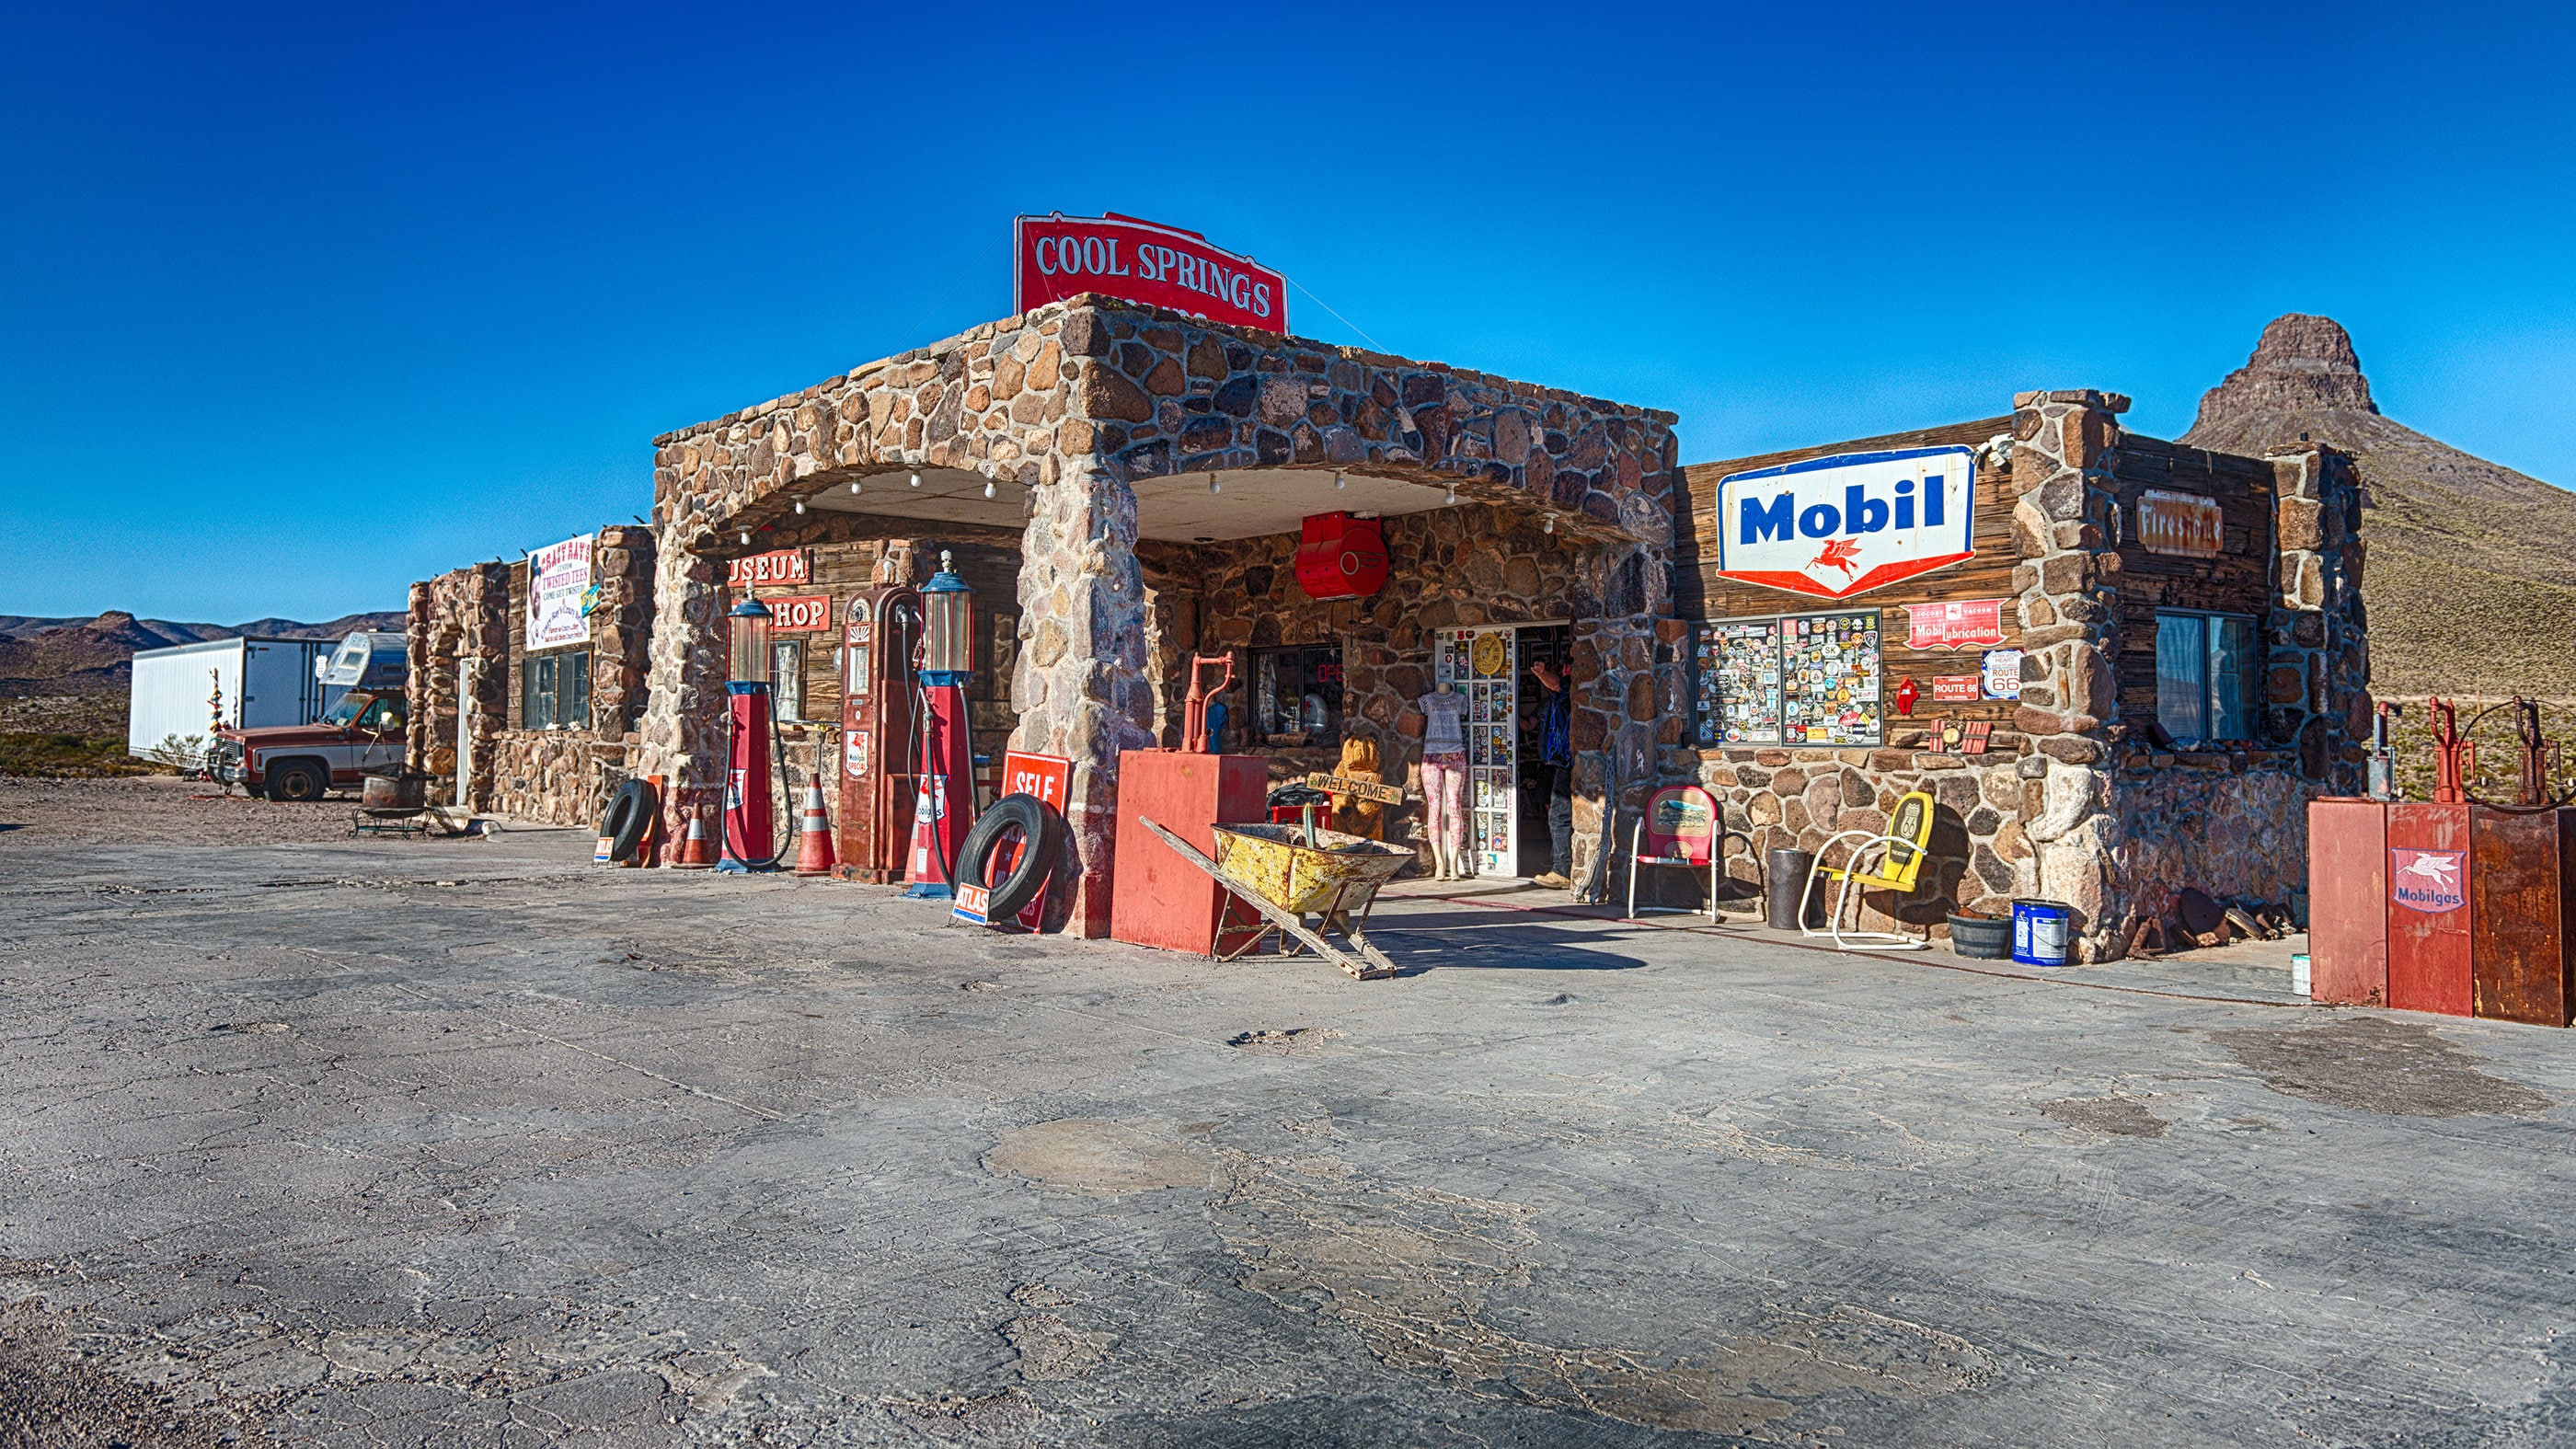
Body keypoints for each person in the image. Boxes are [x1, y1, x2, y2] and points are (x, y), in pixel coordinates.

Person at [1526, 659, 1573, 889]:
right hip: (1558, 760)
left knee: (1559, 815)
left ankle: (1562, 869)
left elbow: (1556, 684)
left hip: (1564, 760)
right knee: (1558, 813)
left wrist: (1541, 673)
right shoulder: (1555, 699)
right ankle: (1561, 865)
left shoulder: (1567, 690)